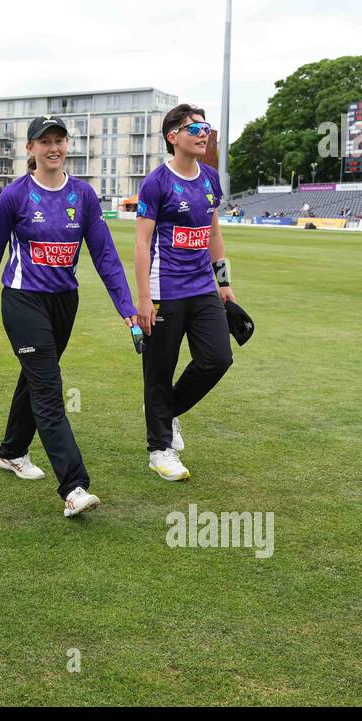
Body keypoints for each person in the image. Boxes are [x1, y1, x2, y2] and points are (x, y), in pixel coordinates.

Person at [0, 115, 138, 518]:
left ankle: (10, 452)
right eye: (45, 142)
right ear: (31, 149)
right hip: (23, 301)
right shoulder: (14, 196)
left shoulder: (84, 195)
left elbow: (105, 255)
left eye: (59, 140)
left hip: (64, 303)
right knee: (48, 387)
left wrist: (126, 308)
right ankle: (74, 486)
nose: (53, 147)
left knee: (34, 376)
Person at [134, 104, 236, 482]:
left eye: (206, 127)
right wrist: (143, 299)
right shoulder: (156, 182)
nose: (203, 133)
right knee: (158, 371)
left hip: (202, 288)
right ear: (172, 137)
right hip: (164, 291)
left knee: (217, 358)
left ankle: (168, 413)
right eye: (195, 128)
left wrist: (223, 282)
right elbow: (142, 243)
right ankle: (159, 450)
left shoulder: (210, 178)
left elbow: (213, 232)